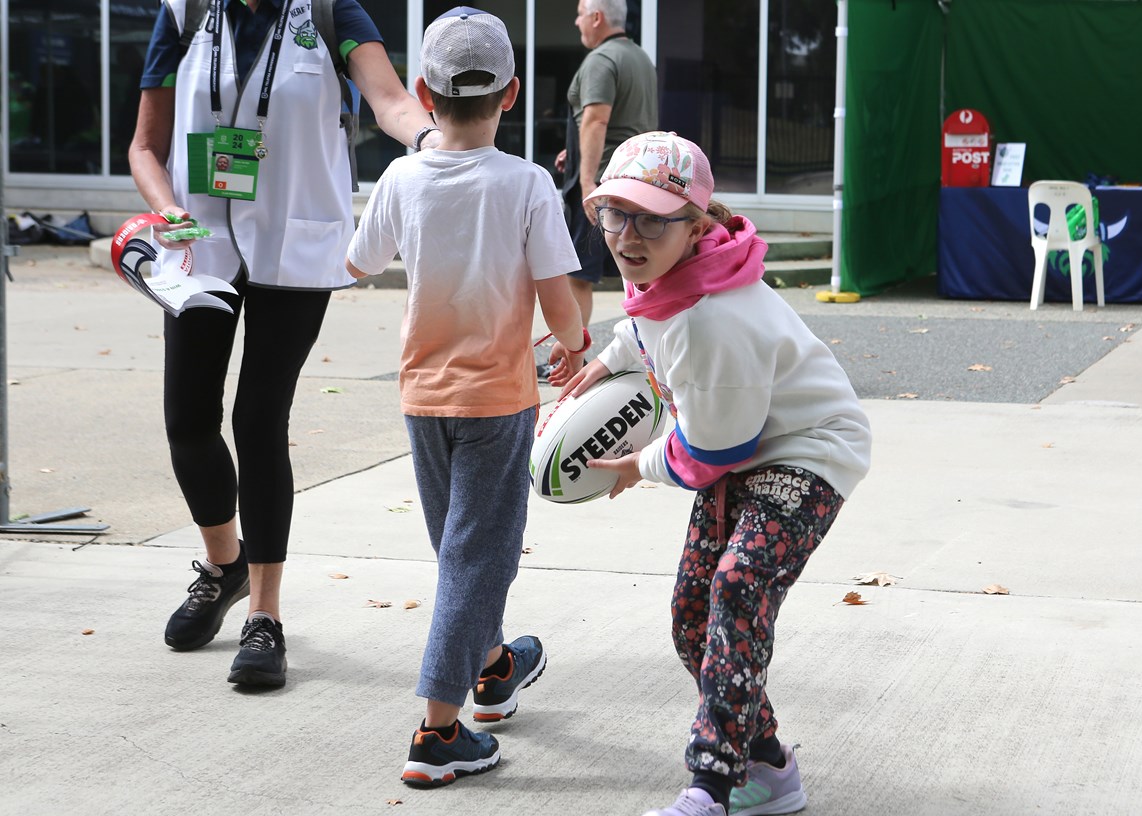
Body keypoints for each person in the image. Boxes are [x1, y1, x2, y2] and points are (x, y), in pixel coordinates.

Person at [557, 131, 873, 816]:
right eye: (616, 213)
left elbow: (712, 453)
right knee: (692, 616)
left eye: (652, 220)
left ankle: (711, 785)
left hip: (809, 451)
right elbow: (644, 320)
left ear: (696, 227)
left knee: (737, 584)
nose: (628, 236)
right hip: (740, 442)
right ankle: (770, 766)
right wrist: (610, 357)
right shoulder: (663, 271)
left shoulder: (713, 320)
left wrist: (636, 466)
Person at [128, 0, 442, 688]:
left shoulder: (329, 12)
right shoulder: (184, 13)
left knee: (259, 419)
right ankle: (225, 565)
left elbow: (390, 99)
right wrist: (165, 206)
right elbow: (145, 146)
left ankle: (264, 616)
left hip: (296, 247)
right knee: (187, 421)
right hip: (198, 246)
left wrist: (430, 142)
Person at [344, 7, 587, 787]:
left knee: (460, 549)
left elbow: (359, 262)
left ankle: (493, 666)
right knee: (477, 557)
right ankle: (438, 732)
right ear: (511, 95)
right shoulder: (528, 184)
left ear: (423, 92)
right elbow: (559, 303)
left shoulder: (401, 178)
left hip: (421, 398)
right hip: (497, 402)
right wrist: (577, 345)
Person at [543, 0, 656, 383]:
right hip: (637, 177)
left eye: (580, 13)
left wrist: (588, 181)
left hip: (605, 183)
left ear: (597, 17)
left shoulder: (600, 60)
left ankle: (571, 362)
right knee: (640, 269)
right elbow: (625, 119)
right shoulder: (639, 58)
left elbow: (596, 119)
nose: (576, 21)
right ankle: (649, 355)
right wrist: (573, 152)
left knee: (578, 275)